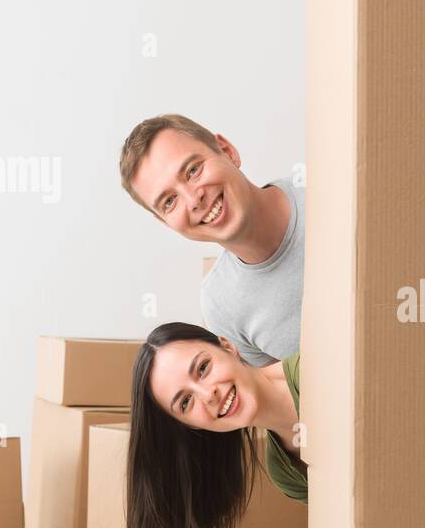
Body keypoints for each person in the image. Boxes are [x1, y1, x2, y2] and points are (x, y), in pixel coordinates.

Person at [122, 321, 306, 528]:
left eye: (203, 368)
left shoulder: (318, 368)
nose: (208, 395)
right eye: (185, 403)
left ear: (228, 347)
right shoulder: (284, 471)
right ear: (189, 426)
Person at [119, 114, 304, 367]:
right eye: (169, 202)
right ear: (165, 223)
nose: (194, 200)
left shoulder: (329, 190)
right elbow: (285, 396)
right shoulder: (222, 306)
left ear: (227, 151)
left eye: (193, 170)